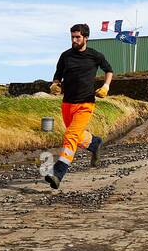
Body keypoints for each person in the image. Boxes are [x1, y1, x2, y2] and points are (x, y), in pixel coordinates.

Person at [45, 23, 114, 189]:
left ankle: (58, 173)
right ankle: (94, 143)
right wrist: (54, 85)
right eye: (72, 37)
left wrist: (106, 86)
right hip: (67, 103)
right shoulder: (65, 56)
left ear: (86, 38)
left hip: (85, 103)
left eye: (78, 37)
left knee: (70, 136)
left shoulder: (95, 56)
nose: (74, 40)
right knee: (76, 135)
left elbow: (109, 70)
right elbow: (58, 75)